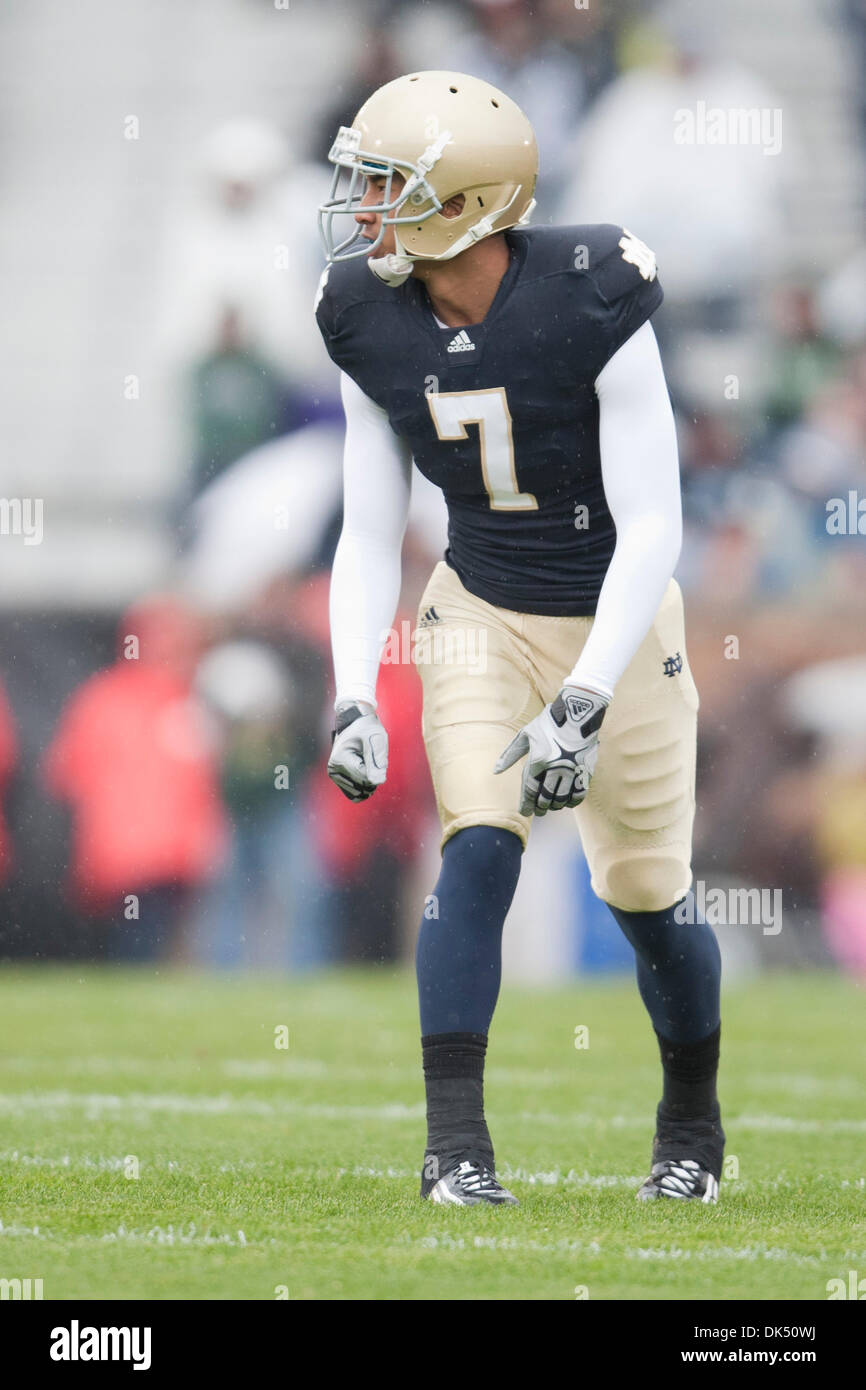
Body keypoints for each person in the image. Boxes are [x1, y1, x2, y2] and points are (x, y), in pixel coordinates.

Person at [315, 71, 723, 1206]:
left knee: (646, 897)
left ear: (462, 201)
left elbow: (653, 522)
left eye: (387, 186)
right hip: (478, 608)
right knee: (478, 847)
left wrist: (586, 696)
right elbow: (366, 523)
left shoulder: (590, 287)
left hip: (620, 619)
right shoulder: (359, 307)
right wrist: (352, 691)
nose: (361, 209)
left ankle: (689, 1123)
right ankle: (456, 1153)